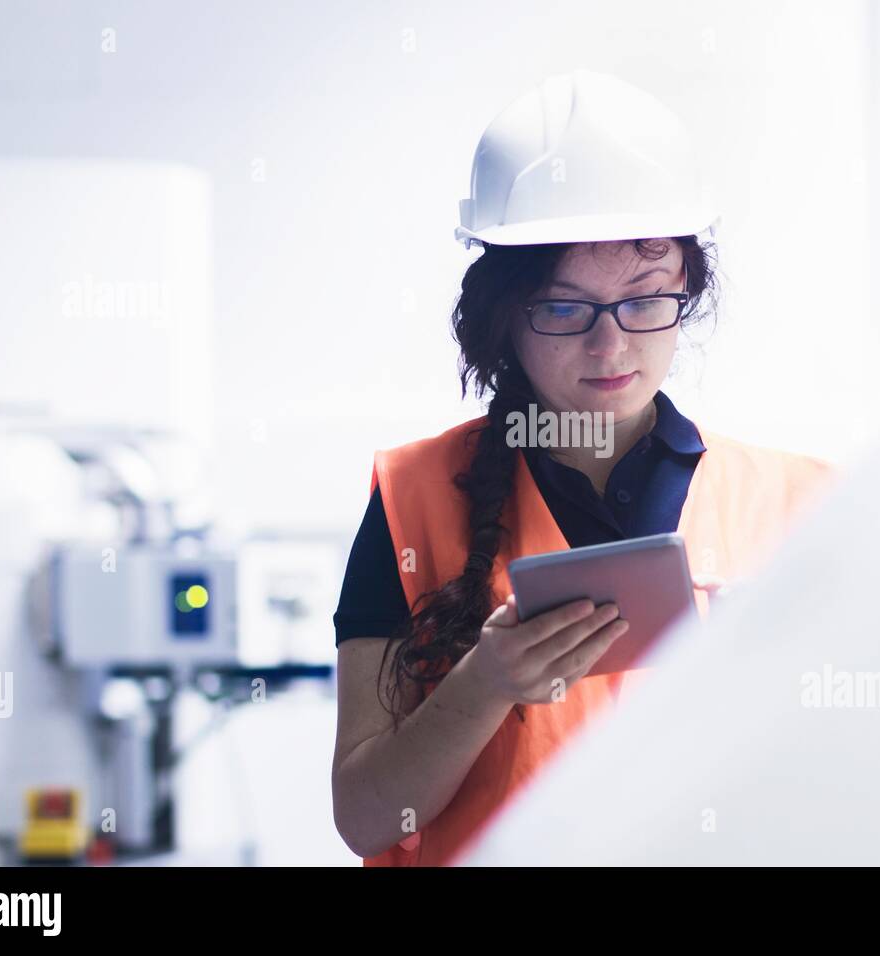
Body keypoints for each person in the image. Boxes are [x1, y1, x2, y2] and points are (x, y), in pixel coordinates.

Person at [330, 69, 836, 866]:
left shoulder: (801, 503)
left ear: (684, 291)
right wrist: (482, 686)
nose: (610, 348)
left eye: (642, 301)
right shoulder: (410, 500)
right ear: (503, 316)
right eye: (564, 309)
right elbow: (366, 818)